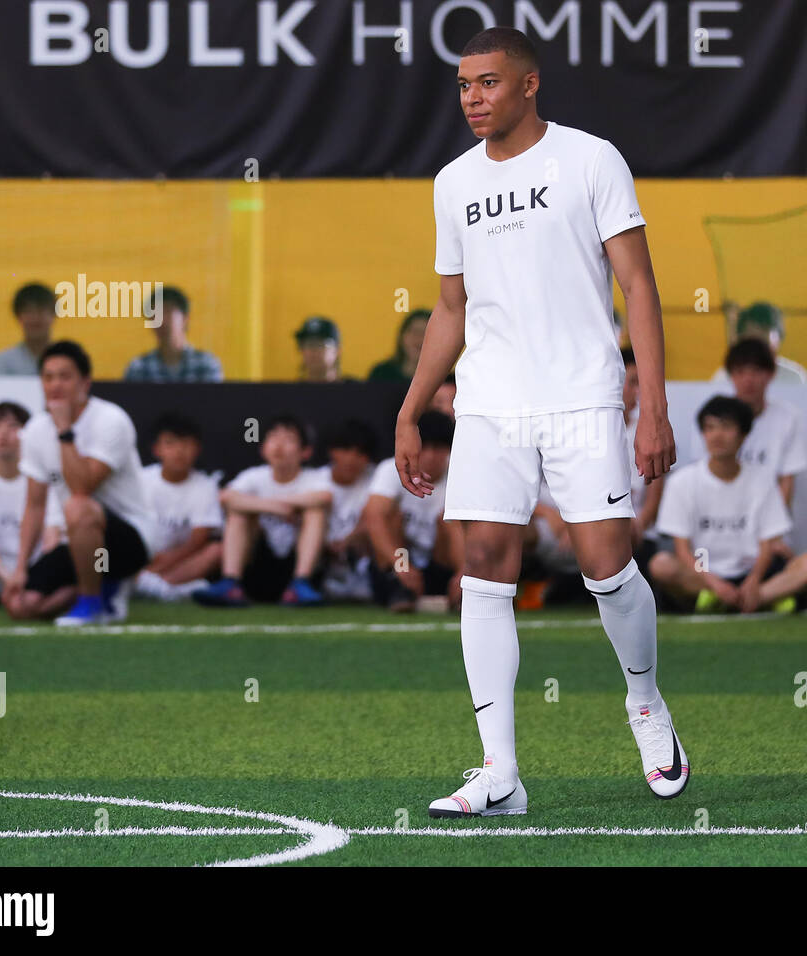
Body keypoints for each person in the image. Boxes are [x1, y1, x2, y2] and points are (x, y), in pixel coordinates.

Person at [396, 27, 684, 819]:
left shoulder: (592, 159)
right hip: (487, 402)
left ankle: (646, 704)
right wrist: (413, 404)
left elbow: (640, 285)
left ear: (529, 85)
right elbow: (451, 308)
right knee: (481, 567)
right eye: (463, 86)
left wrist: (651, 403)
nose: (473, 98)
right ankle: (500, 773)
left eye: (488, 82)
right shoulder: (451, 183)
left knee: (604, 565)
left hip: (584, 395)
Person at [3, 341, 156, 625]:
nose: (55, 385)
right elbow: (34, 506)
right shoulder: (35, 430)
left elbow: (82, 487)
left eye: (64, 376)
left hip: (130, 541)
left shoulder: (111, 420)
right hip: (77, 540)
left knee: (78, 506)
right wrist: (20, 568)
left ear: (85, 382)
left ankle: (92, 602)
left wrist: (64, 431)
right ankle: (105, 589)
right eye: (48, 377)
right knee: (21, 606)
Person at [649, 397, 807, 613]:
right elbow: (682, 549)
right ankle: (747, 599)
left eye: (726, 427)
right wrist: (714, 583)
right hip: (703, 574)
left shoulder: (762, 479)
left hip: (755, 573)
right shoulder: (682, 482)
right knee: (660, 565)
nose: (717, 435)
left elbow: (767, 543)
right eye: (710, 428)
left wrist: (754, 581)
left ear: (744, 435)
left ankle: (751, 598)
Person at [192, 415, 330, 607]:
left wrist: (273, 503)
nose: (279, 445)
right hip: (257, 567)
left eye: (289, 439)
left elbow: (324, 497)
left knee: (315, 511)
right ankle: (231, 583)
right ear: (263, 448)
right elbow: (226, 497)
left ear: (305, 452)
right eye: (273, 438)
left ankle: (300, 584)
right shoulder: (253, 476)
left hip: (296, 568)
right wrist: (275, 507)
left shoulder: (315, 478)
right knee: (239, 512)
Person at [0, 401, 65, 602]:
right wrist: (9, 579)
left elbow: (52, 534)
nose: (3, 434)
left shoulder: (42, 479)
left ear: (28, 435)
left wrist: (29, 574)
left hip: (33, 572)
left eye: (13, 426)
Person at [365, 411, 462, 611]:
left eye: (438, 448)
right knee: (390, 516)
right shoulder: (391, 469)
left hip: (443, 564)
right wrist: (401, 565)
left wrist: (466, 570)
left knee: (452, 519)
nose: (430, 456)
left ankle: (466, 585)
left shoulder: (461, 470)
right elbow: (373, 517)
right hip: (401, 563)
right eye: (424, 447)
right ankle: (401, 589)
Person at [135, 413, 224, 601]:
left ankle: (155, 587)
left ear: (197, 449)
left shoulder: (206, 486)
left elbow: (199, 539)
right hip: (140, 558)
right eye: (170, 443)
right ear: (156, 449)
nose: (179, 451)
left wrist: (162, 563)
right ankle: (166, 591)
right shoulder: (140, 480)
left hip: (179, 563)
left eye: (186, 444)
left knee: (216, 551)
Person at [712, 337, 807, 510]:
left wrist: (773, 526)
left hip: (769, 518)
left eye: (756, 371)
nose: (748, 380)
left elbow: (787, 480)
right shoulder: (713, 418)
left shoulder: (788, 418)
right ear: (731, 376)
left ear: (770, 374)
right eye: (740, 372)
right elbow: (708, 475)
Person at [318, 418, 378, 602]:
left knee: (378, 515)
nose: (352, 459)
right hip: (322, 557)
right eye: (345, 450)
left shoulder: (376, 478)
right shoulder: (315, 480)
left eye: (360, 453)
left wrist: (348, 540)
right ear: (331, 451)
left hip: (362, 556)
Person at [122, 287, 224, 382]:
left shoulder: (206, 365)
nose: (161, 320)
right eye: (154, 314)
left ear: (185, 318)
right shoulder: (139, 368)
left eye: (167, 311)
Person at [621, 349, 662, 565]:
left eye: (642, 385)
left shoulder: (651, 433)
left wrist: (637, 526)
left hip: (638, 533)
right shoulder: (586, 435)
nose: (638, 392)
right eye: (633, 382)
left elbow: (653, 500)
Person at [710, 302, 807, 387]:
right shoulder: (725, 377)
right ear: (741, 339)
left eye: (764, 336)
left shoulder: (794, 377)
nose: (759, 348)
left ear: (780, 337)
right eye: (753, 337)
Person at [0, 283, 57, 375]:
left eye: (41, 311)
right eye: (29, 311)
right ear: (18, 316)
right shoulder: (3, 362)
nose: (35, 318)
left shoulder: (70, 360)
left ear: (54, 314)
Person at [367, 310, 429, 383]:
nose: (419, 338)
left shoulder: (443, 378)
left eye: (426, 333)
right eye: (415, 332)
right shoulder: (382, 373)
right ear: (402, 336)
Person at [296, 316, 342, 383]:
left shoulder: (354, 391)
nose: (313, 350)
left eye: (320, 344)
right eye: (309, 344)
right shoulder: (290, 392)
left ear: (337, 351)